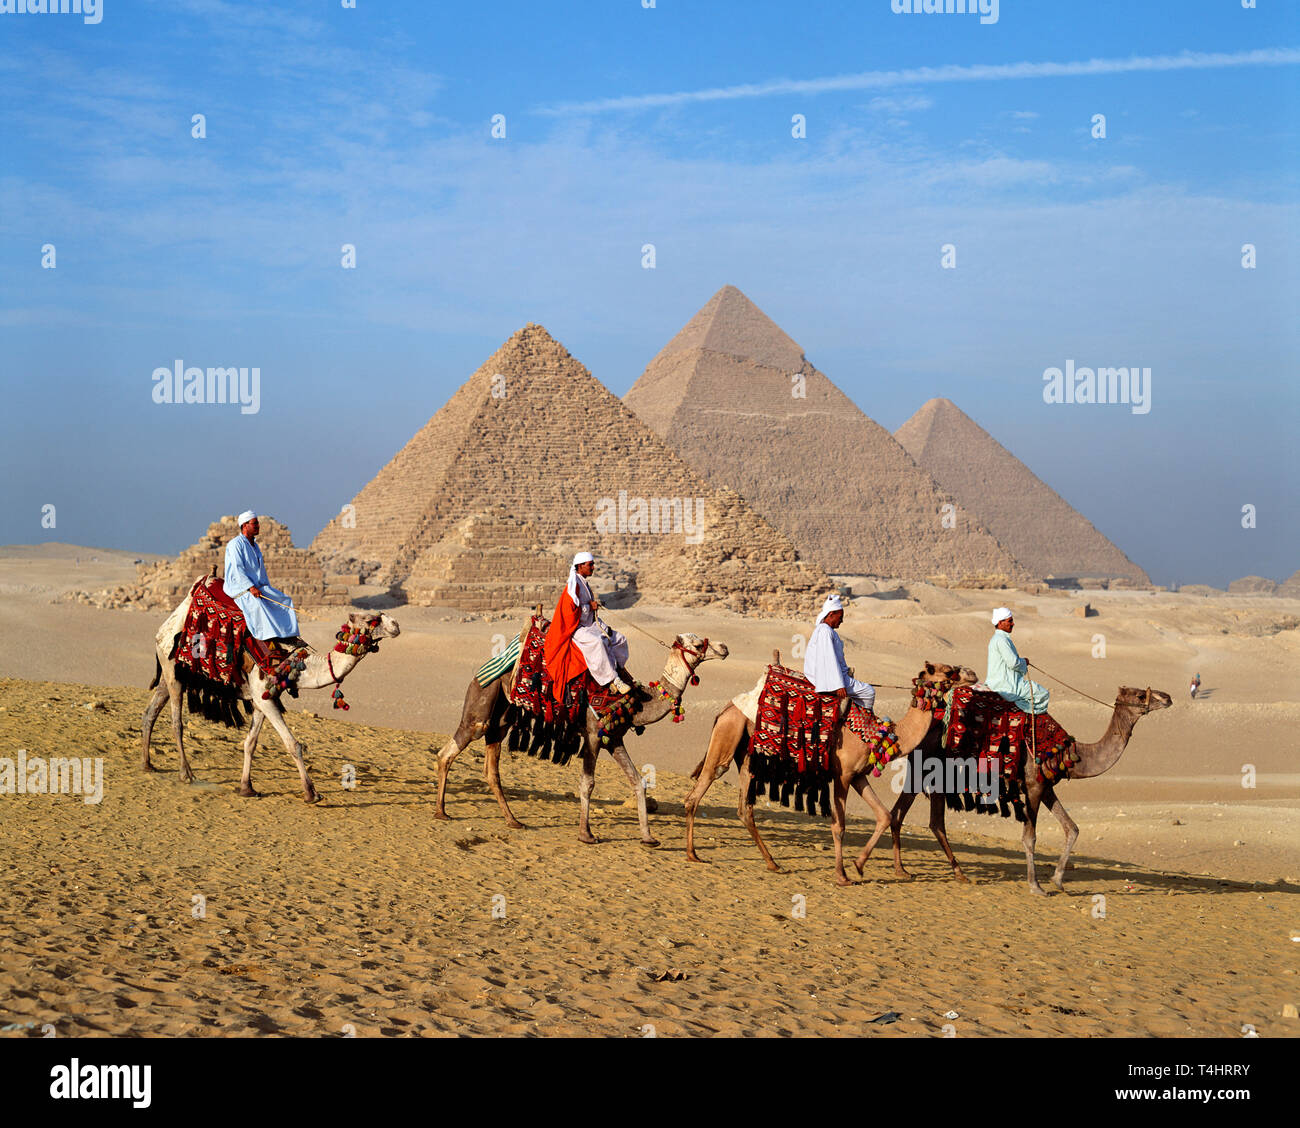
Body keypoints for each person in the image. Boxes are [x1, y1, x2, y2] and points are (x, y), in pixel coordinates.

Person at [543, 551, 631, 699]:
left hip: (590, 624)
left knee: (619, 638)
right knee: (597, 643)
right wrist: (590, 607)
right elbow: (570, 613)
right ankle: (611, 680)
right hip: (576, 628)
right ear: (580, 566)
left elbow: (590, 614)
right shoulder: (573, 586)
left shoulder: (583, 583)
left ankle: (617, 669)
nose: (593, 567)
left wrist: (603, 625)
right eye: (590, 565)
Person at [223, 511, 300, 646]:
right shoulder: (236, 544)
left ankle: (288, 634)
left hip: (257, 586)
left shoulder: (255, 545)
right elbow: (237, 569)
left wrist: (265, 588)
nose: (258, 526)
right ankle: (268, 638)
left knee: (284, 600)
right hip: (240, 588)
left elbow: (260, 571)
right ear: (245, 525)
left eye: (257, 523)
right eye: (255, 523)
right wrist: (250, 587)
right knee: (259, 606)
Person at [803, 592, 876, 712]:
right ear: (831, 614)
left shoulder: (826, 630)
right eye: (840, 617)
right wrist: (837, 685)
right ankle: (863, 722)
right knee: (868, 691)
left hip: (833, 675)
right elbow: (828, 658)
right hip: (826, 677)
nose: (841, 621)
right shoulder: (825, 631)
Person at [985, 607, 1049, 714]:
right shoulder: (1001, 640)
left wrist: (1022, 661)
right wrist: (1024, 661)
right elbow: (1013, 663)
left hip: (1003, 681)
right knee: (1042, 693)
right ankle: (1024, 713)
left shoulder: (999, 639)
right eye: (1010, 621)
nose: (1013, 624)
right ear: (1000, 623)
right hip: (1006, 685)